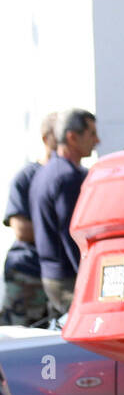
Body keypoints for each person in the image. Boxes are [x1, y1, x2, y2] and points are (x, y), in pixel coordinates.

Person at [30, 108, 99, 315]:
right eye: (92, 134)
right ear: (72, 137)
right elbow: (73, 233)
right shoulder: (67, 178)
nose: (97, 141)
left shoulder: (45, 172)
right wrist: (89, 279)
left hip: (52, 276)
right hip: (69, 279)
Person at [1, 112, 58, 325]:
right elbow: (22, 230)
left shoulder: (76, 176)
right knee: (18, 339)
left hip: (62, 275)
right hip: (28, 271)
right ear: (46, 138)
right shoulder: (26, 177)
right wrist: (59, 233)